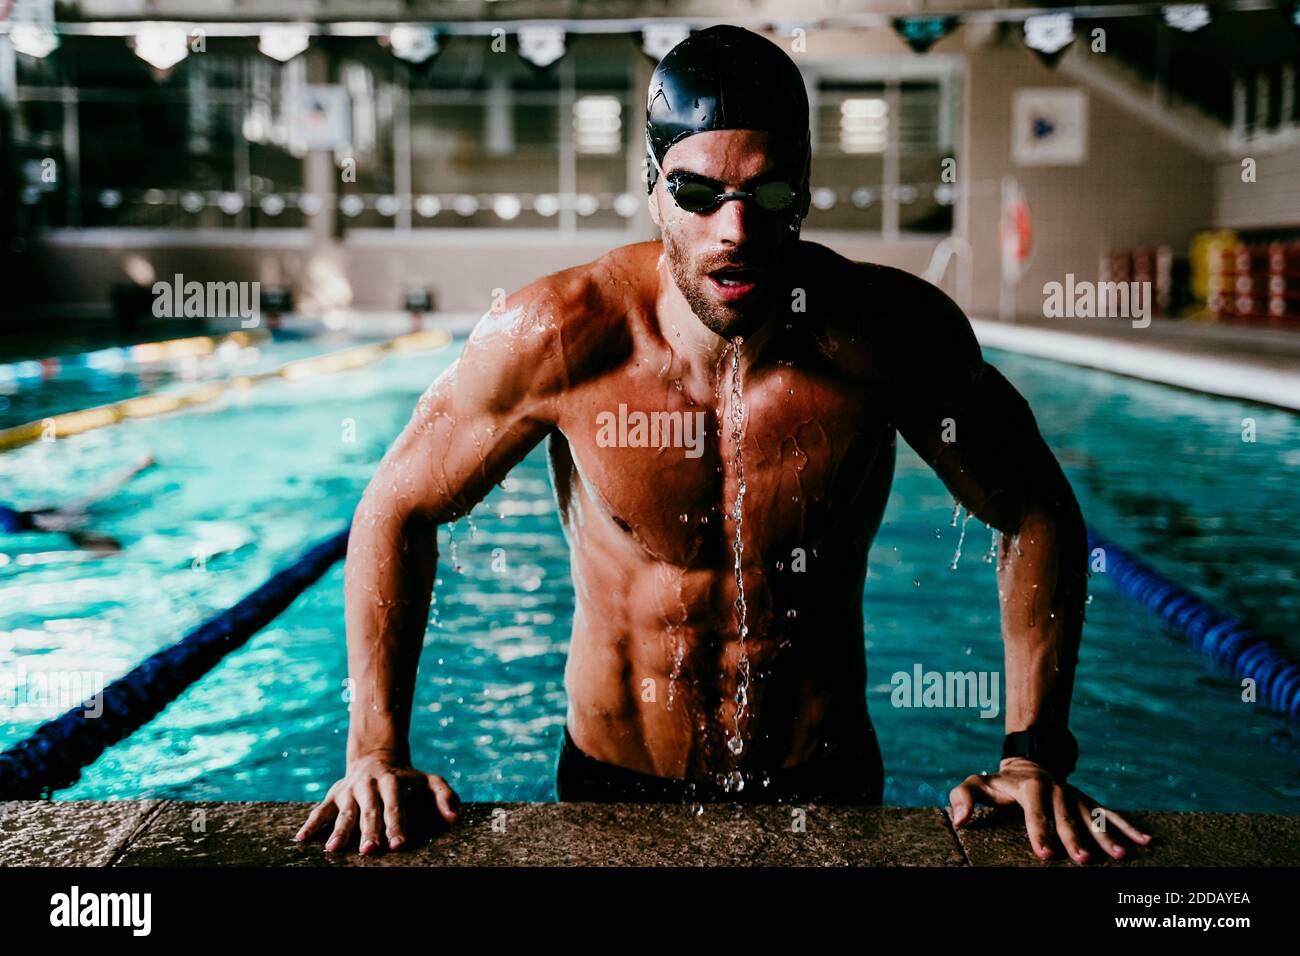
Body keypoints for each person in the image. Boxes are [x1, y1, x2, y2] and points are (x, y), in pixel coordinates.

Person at [296, 25, 1151, 863]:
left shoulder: (890, 339)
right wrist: (374, 752)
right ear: (654, 188)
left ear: (806, 190)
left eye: (768, 194)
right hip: (612, 789)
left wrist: (1031, 754)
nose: (734, 230)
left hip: (824, 784)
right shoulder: (560, 337)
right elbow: (395, 507)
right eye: (699, 193)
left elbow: (1033, 507)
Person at [0, 453, 155, 553]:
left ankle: (140, 467)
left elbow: (16, 523)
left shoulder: (32, 523)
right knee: (99, 495)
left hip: (59, 519)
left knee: (101, 502)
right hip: (53, 513)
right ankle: (140, 466)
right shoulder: (22, 516)